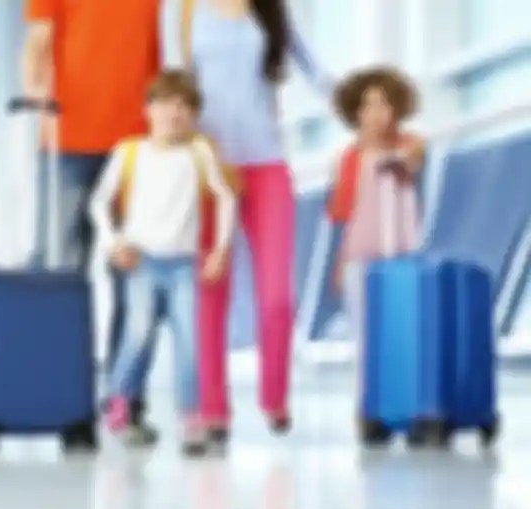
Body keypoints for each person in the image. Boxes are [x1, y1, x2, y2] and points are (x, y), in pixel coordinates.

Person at [160, 0, 333, 441]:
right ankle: (213, 409)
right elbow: (175, 89)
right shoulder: (185, 11)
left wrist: (370, 113)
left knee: (277, 295)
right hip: (208, 166)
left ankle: (275, 399)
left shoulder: (270, 10)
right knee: (210, 293)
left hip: (267, 164)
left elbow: (316, 72)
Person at [23, 0, 163, 425]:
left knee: (133, 273)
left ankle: (125, 395)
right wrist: (36, 98)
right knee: (63, 269)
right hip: (68, 136)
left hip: (137, 140)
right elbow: (38, 42)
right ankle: (62, 389)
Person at [91, 71, 238, 455]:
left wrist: (220, 249)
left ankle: (191, 419)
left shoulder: (199, 154)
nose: (176, 113)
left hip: (183, 265)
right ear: (149, 109)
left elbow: (226, 197)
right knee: (137, 335)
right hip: (142, 261)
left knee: (190, 342)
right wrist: (113, 243)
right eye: (167, 104)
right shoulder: (130, 152)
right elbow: (98, 202)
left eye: (185, 107)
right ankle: (118, 402)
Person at [327, 67, 424, 422]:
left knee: (404, 329)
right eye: (367, 106)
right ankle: (370, 406)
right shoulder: (348, 159)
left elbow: (414, 160)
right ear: (355, 113)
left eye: (384, 104)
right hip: (358, 256)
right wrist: (339, 264)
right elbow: (343, 215)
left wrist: (398, 158)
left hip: (400, 253)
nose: (375, 113)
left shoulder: (408, 145)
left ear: (397, 109)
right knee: (366, 336)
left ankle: (409, 400)